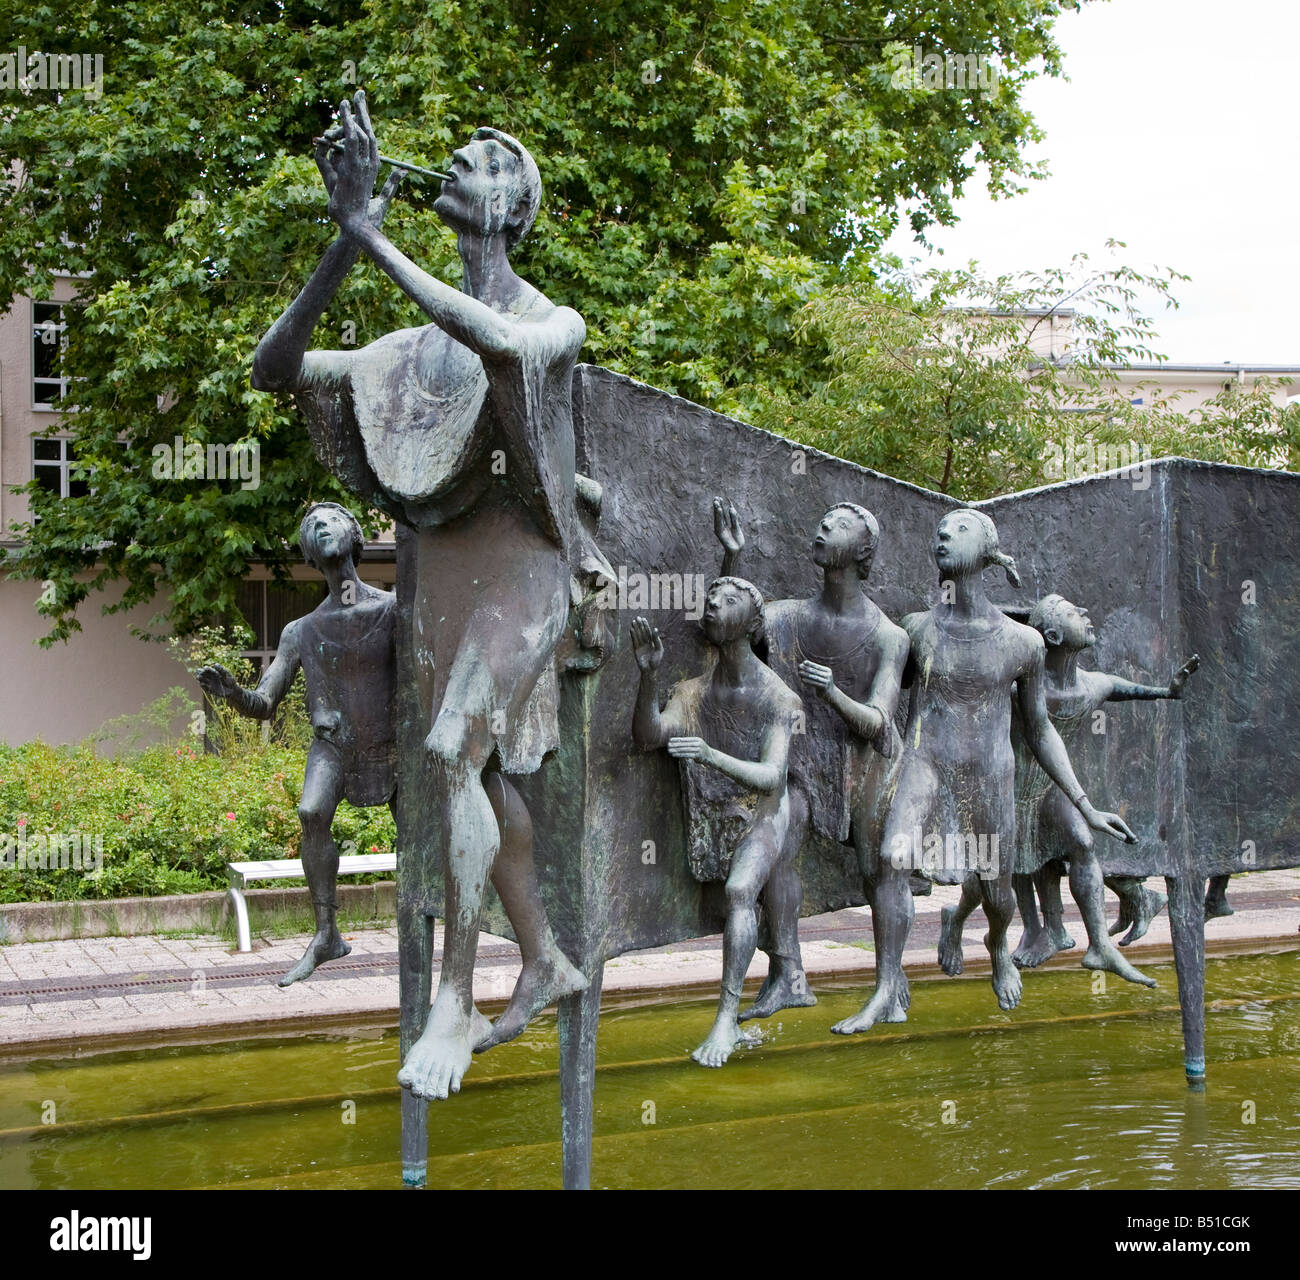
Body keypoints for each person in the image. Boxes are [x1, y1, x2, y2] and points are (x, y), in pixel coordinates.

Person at [250, 91, 592, 1100]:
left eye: (487, 157)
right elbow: (275, 369)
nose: (460, 159)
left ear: (515, 209)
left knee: (451, 750)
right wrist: (344, 248)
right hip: (443, 576)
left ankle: (458, 991)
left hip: (527, 576)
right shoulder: (405, 356)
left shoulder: (547, 320)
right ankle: (542, 956)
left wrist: (378, 241)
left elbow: (500, 343)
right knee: (475, 771)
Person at [834, 510, 1137, 1034]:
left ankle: (997, 948)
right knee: (892, 857)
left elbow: (1040, 729)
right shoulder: (916, 629)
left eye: (960, 529)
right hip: (925, 764)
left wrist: (1085, 805)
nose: (944, 534)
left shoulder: (1023, 643)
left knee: (998, 897)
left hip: (991, 777)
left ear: (990, 554)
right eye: (940, 528)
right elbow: (879, 699)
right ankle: (887, 985)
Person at [710, 498, 909, 1022]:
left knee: (881, 866)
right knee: (781, 842)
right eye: (824, 519)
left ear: (864, 550)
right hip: (802, 757)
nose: (823, 525)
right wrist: (731, 562)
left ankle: (888, 986)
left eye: (840, 524)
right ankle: (789, 974)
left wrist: (834, 693)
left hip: (865, 758)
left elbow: (880, 722)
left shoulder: (890, 637)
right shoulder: (783, 618)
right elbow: (730, 638)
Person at [936, 593, 1197, 986]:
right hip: (1010, 790)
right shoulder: (1018, 689)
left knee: (1082, 842)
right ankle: (954, 923)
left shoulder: (1091, 685)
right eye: (1076, 613)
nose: (1087, 613)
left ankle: (1098, 946)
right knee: (989, 878)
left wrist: (1168, 691)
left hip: (1050, 788)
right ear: (1054, 634)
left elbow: (1122, 688)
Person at [198, 502, 395, 986]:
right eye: (310, 525)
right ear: (308, 552)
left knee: (415, 832)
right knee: (311, 812)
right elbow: (265, 701)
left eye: (330, 519)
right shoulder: (300, 631)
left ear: (354, 534)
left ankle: (420, 922)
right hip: (332, 745)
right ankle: (327, 932)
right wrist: (234, 695)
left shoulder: (393, 611)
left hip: (391, 745)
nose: (320, 526)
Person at [631, 578, 802, 1067]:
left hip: (765, 814)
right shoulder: (691, 692)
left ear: (751, 624)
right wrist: (648, 675)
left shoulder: (778, 697)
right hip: (713, 816)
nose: (712, 604)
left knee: (739, 891)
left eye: (728, 601)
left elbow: (773, 777)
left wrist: (709, 754)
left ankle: (726, 1017)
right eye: (710, 598)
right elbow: (649, 736)